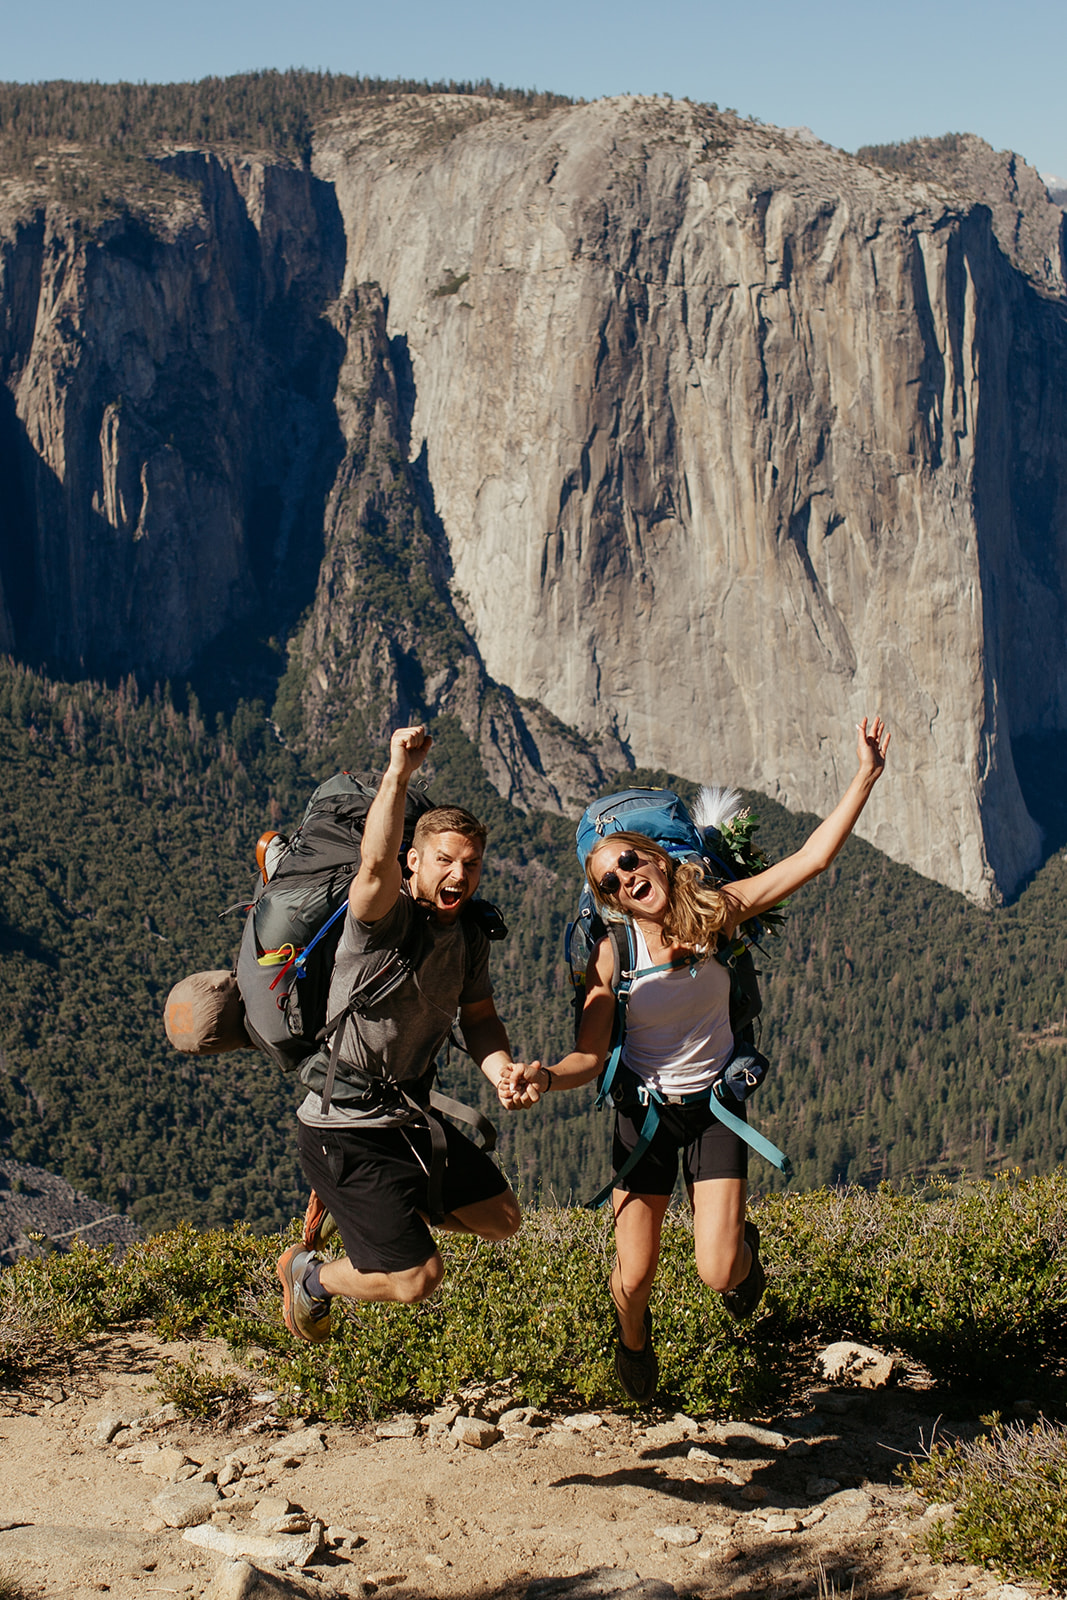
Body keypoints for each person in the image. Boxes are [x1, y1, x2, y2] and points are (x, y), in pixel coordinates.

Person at [500, 716, 890, 1403]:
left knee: (719, 1271)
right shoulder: (610, 955)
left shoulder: (717, 914)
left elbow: (810, 861)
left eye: (629, 862)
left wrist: (864, 776)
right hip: (643, 1119)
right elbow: (589, 1056)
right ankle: (631, 1337)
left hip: (714, 1110)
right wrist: (543, 1076)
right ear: (607, 899)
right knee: (633, 1277)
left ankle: (744, 1252)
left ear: (658, 858)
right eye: (608, 881)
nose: (623, 880)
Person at [277, 724, 530, 1342]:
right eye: (444, 860)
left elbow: (479, 1018)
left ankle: (378, 1217)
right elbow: (371, 861)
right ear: (412, 862)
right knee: (417, 1279)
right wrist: (399, 774)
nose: (459, 874)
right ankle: (310, 1276)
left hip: (409, 1116)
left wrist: (500, 1070)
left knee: (501, 1218)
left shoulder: (468, 935)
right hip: (345, 1127)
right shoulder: (379, 919)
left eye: (470, 865)